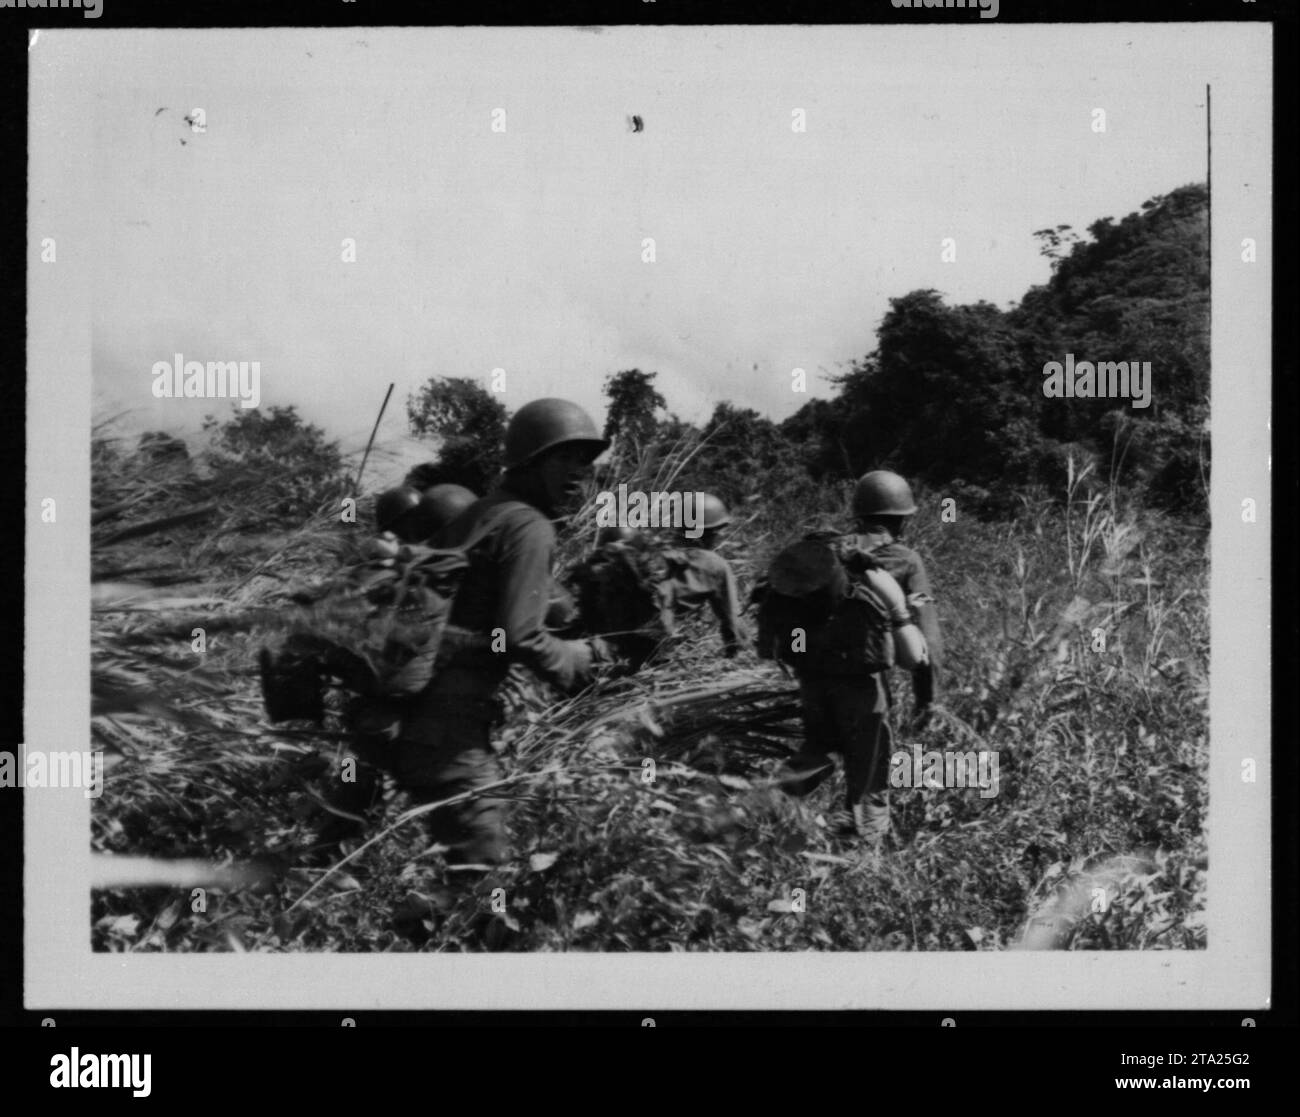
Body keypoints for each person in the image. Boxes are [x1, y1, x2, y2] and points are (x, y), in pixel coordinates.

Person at [395, 398, 621, 879]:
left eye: (587, 460)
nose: (581, 472)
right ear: (530, 460)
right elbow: (520, 636)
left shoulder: (486, 512)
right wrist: (584, 664)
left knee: (364, 838)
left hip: (401, 708)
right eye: (567, 458)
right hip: (445, 720)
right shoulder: (529, 525)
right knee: (483, 866)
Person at [771, 532, 928, 851]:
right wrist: (902, 617)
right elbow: (912, 658)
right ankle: (864, 849)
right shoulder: (870, 577)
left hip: (813, 688)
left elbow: (788, 646)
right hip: (862, 693)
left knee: (818, 749)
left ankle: (763, 801)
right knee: (868, 772)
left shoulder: (797, 589)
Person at [845, 470, 942, 725]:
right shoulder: (907, 560)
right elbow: (927, 635)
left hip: (815, 675)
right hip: (867, 678)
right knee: (872, 758)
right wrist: (926, 703)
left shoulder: (833, 550)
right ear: (901, 520)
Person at [660, 493, 746, 658]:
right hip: (660, 646)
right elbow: (731, 617)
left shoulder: (659, 553)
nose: (722, 535)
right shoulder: (713, 564)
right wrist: (737, 651)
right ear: (709, 532)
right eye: (719, 530)